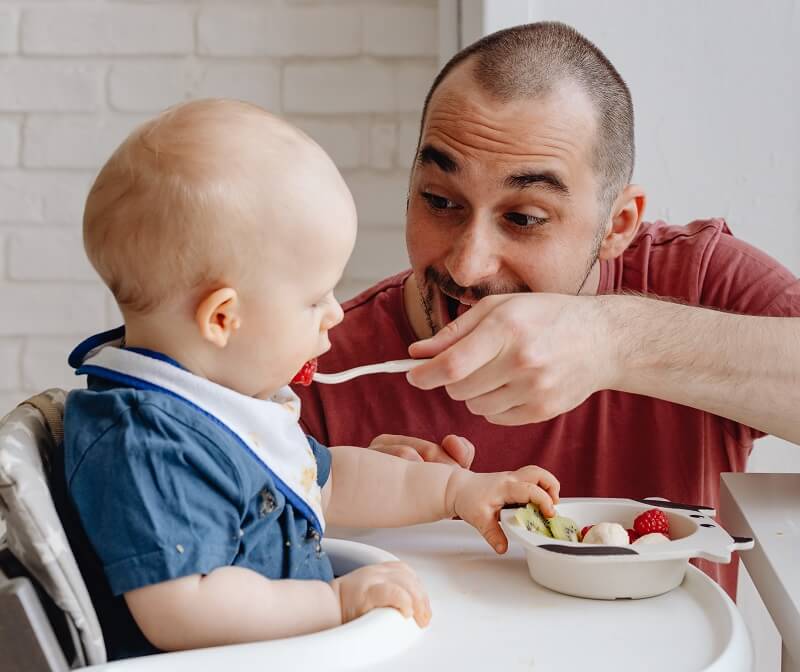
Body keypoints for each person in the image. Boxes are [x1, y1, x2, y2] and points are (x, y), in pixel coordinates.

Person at [295, 22, 800, 598]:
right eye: (440, 201)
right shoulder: (313, 358)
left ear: (619, 225)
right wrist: (343, 508)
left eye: (525, 218)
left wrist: (614, 343)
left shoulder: (702, 280)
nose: (466, 265)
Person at [60, 99, 560, 660]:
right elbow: (184, 611)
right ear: (222, 318)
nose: (337, 313)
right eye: (313, 299)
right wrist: (336, 604)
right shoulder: (149, 441)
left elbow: (333, 480)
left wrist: (456, 491)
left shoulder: (222, 406)